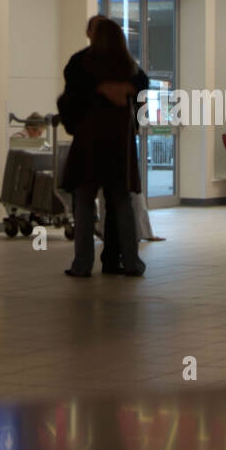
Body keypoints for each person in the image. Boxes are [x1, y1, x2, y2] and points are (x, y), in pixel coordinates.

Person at [58, 16, 147, 277]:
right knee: (121, 202)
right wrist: (124, 89)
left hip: (89, 141)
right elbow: (142, 85)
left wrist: (75, 122)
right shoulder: (128, 66)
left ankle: (82, 264)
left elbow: (69, 100)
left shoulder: (80, 63)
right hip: (119, 142)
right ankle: (131, 262)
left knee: (84, 203)